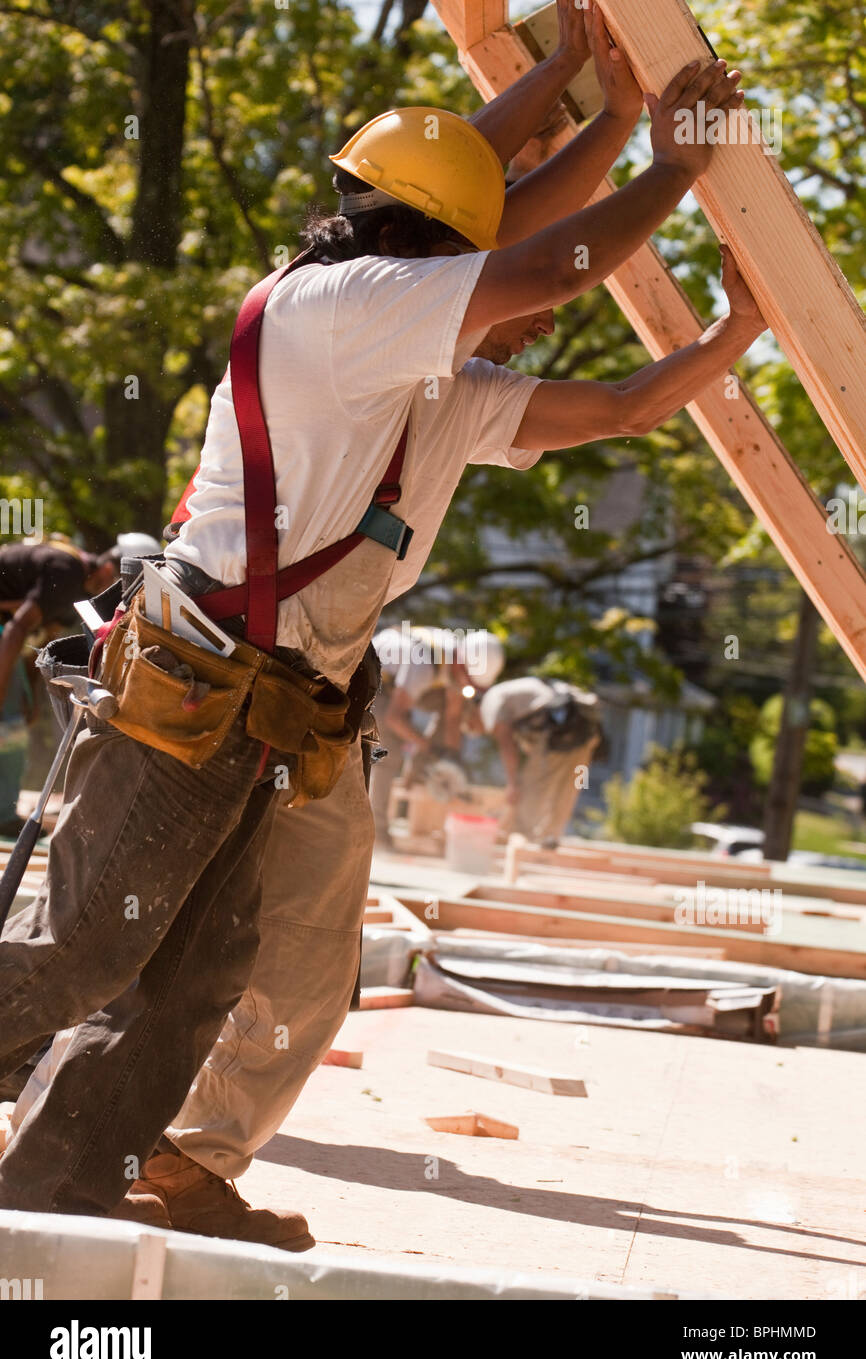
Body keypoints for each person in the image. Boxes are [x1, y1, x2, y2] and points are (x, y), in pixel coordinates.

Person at [0, 0, 763, 1245]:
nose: (493, 292)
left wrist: (606, 105)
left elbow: (526, 265)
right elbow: (535, 254)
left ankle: (60, 1197)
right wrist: (669, 160)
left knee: (196, 976)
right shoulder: (345, 308)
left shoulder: (413, 361)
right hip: (198, 683)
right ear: (424, 253)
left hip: (269, 709)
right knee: (81, 953)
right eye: (463, 261)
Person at [0, 535, 158, 836]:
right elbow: (15, 630)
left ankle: (2, 811)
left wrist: (30, 696)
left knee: (12, 722)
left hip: (6, 634)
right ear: (111, 571)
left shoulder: (74, 590)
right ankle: (2, 815)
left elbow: (41, 644)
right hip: (4, 633)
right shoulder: (66, 570)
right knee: (7, 724)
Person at [369, 624, 505, 846]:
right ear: (460, 664)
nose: (466, 685)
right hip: (375, 682)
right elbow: (395, 717)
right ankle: (377, 832)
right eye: (467, 680)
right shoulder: (423, 664)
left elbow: (452, 717)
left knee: (456, 705)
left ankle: (423, 768)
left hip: (404, 684)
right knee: (388, 752)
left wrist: (452, 759)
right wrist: (428, 747)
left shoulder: (458, 660)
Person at [481, 674, 603, 845]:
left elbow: (507, 745)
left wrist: (513, 783)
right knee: (569, 789)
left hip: (558, 731)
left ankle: (521, 844)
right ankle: (549, 840)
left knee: (529, 798)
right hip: (587, 731)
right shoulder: (520, 692)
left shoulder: (491, 700)